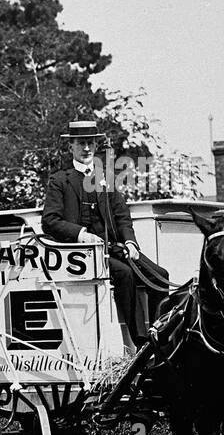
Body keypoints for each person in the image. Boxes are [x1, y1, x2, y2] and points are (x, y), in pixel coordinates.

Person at [41, 119, 168, 347]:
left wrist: (130, 243)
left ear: (96, 145)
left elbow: (122, 217)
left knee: (160, 275)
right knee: (124, 275)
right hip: (83, 254)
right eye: (81, 144)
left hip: (116, 249)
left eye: (90, 143)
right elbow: (49, 221)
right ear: (71, 147)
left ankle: (160, 334)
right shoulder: (60, 181)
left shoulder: (105, 179)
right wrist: (81, 234)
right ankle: (141, 342)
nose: (86, 148)